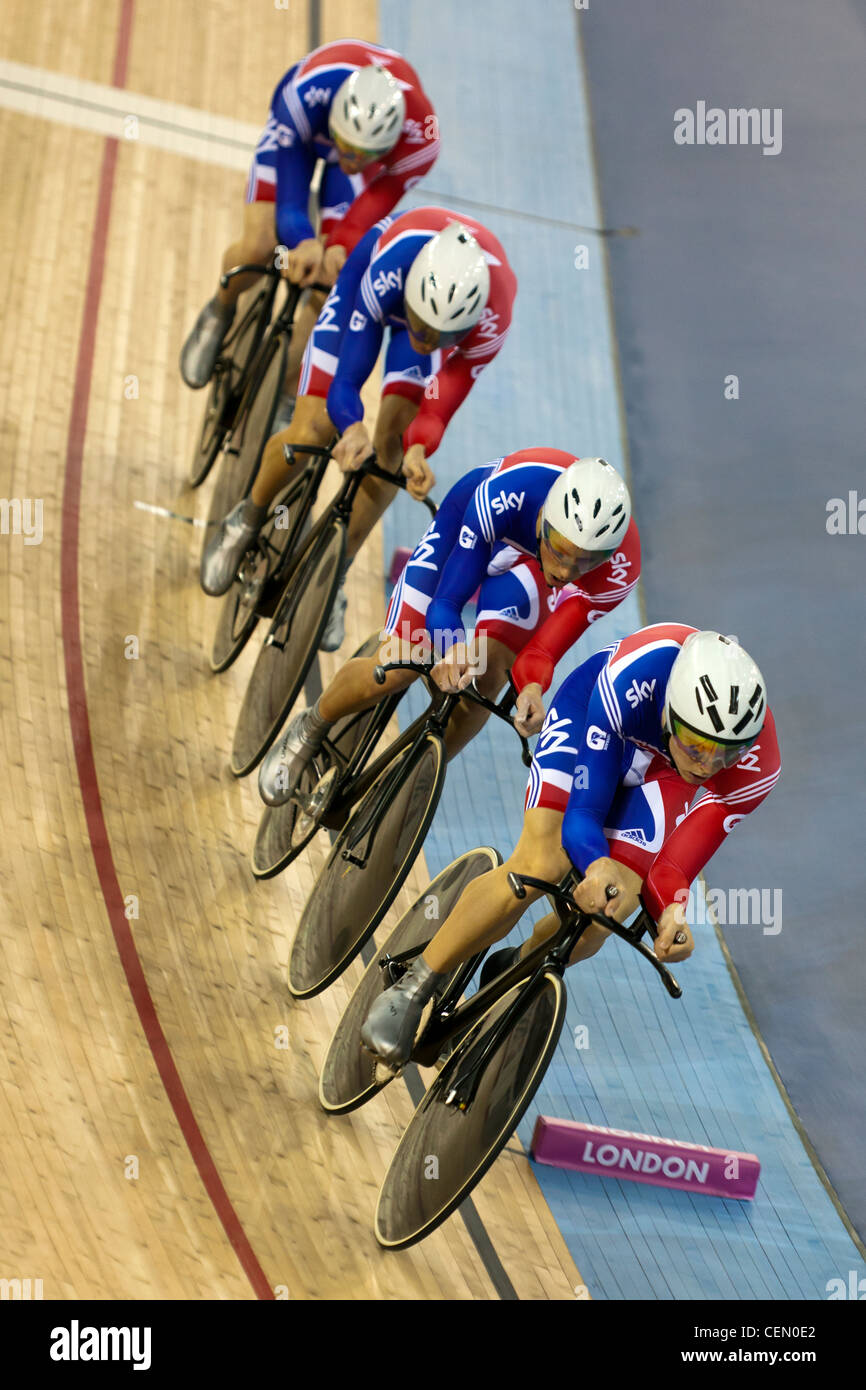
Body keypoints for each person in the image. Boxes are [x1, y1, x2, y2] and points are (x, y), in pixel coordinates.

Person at [359, 624, 781, 1065]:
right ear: (671, 712)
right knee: (541, 864)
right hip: (594, 720)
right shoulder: (634, 676)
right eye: (696, 745)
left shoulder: (757, 767)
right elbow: (583, 816)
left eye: (725, 754)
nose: (707, 766)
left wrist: (673, 912)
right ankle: (412, 986)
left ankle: (512, 970)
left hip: (663, 775)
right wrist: (596, 864)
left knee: (604, 916)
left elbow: (674, 868)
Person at [200, 208, 518, 653]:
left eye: (440, 337)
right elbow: (346, 381)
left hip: (431, 308)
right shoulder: (391, 269)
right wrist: (350, 427)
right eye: (422, 328)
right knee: (313, 428)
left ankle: (335, 570)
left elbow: (441, 402)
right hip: (367, 289)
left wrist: (419, 448)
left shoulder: (491, 318)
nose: (426, 340)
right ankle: (246, 518)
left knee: (393, 452)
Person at [257, 450, 639, 804]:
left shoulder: (619, 570)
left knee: (484, 681)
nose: (566, 571)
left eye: (585, 562)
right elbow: (446, 603)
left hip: (527, 569)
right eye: (561, 550)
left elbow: (543, 650)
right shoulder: (504, 495)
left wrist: (533, 687)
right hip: (467, 532)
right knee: (403, 662)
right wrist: (453, 645)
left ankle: (399, 794)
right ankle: (309, 728)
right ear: (546, 517)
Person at [180, 39, 438, 415]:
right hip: (301, 138)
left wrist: (338, 246)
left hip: (356, 144)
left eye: (365, 154)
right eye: (347, 147)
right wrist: (302, 240)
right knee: (260, 245)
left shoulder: (421, 141)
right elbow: (290, 200)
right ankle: (220, 308)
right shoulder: (304, 94)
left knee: (333, 279)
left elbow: (373, 204)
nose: (352, 159)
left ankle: (288, 391)